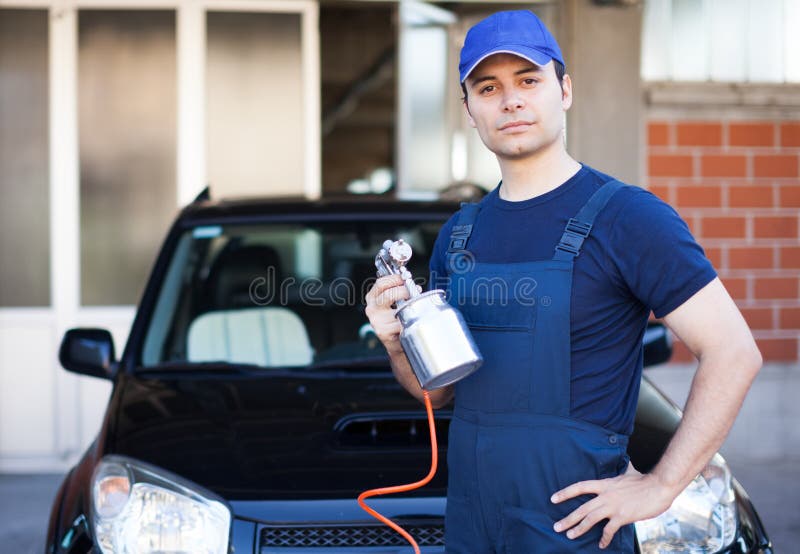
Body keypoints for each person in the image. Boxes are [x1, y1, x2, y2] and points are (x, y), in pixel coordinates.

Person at [364, 9, 761, 553]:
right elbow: (440, 392)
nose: (511, 100)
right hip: (472, 524)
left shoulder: (629, 218)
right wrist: (396, 344)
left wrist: (662, 485)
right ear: (469, 110)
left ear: (564, 89)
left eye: (529, 80)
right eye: (488, 87)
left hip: (576, 528)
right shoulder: (459, 235)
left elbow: (734, 352)